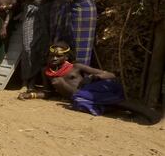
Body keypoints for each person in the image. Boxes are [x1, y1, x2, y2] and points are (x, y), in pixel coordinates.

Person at [19, 42, 160, 124]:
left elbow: (109, 74)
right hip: (78, 99)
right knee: (79, 100)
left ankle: (147, 114)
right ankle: (128, 112)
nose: (54, 58)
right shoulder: (47, 72)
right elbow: (48, 93)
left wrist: (95, 77)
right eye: (52, 55)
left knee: (102, 99)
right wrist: (31, 95)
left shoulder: (77, 67)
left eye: (58, 56)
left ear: (66, 57)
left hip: (92, 91)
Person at [20, 0, 58, 90]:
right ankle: (25, 80)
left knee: (43, 48)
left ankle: (35, 82)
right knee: (28, 47)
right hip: (32, 10)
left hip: (48, 11)